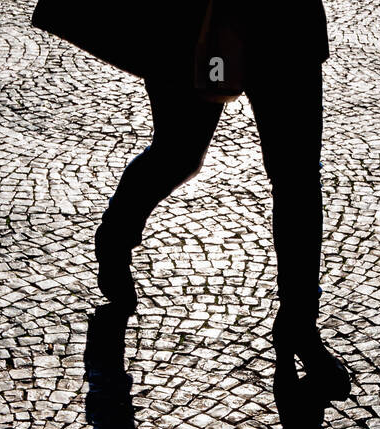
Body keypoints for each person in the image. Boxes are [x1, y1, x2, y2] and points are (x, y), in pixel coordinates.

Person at [95, 0, 351, 400]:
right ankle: (115, 235)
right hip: (195, 17)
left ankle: (299, 326)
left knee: (297, 176)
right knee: (179, 154)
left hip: (285, 25)